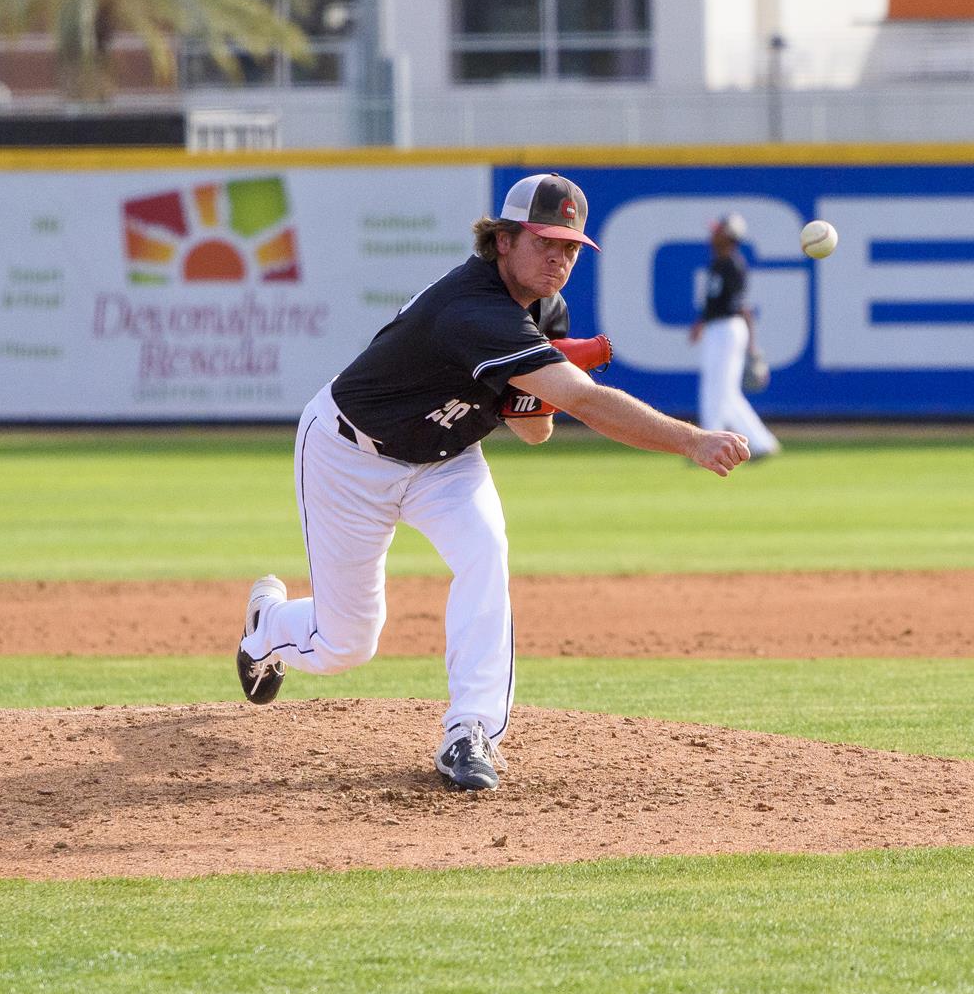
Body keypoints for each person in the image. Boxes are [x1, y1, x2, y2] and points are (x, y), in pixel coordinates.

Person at [234, 172, 750, 792]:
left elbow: (538, 434)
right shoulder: (472, 308)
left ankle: (469, 732)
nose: (558, 260)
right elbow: (584, 403)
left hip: (446, 459)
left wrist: (528, 399)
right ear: (502, 240)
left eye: (570, 248)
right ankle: (267, 627)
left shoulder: (544, 311)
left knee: (486, 552)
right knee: (347, 644)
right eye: (544, 242)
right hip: (351, 456)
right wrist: (692, 439)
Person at [690, 211, 781, 460]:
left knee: (715, 391)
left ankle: (707, 444)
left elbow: (741, 307)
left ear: (729, 236)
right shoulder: (719, 263)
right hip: (719, 328)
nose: (712, 234)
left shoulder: (731, 264)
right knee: (726, 393)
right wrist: (702, 322)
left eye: (717, 231)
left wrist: (752, 346)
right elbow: (715, 304)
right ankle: (761, 443)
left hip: (727, 328)